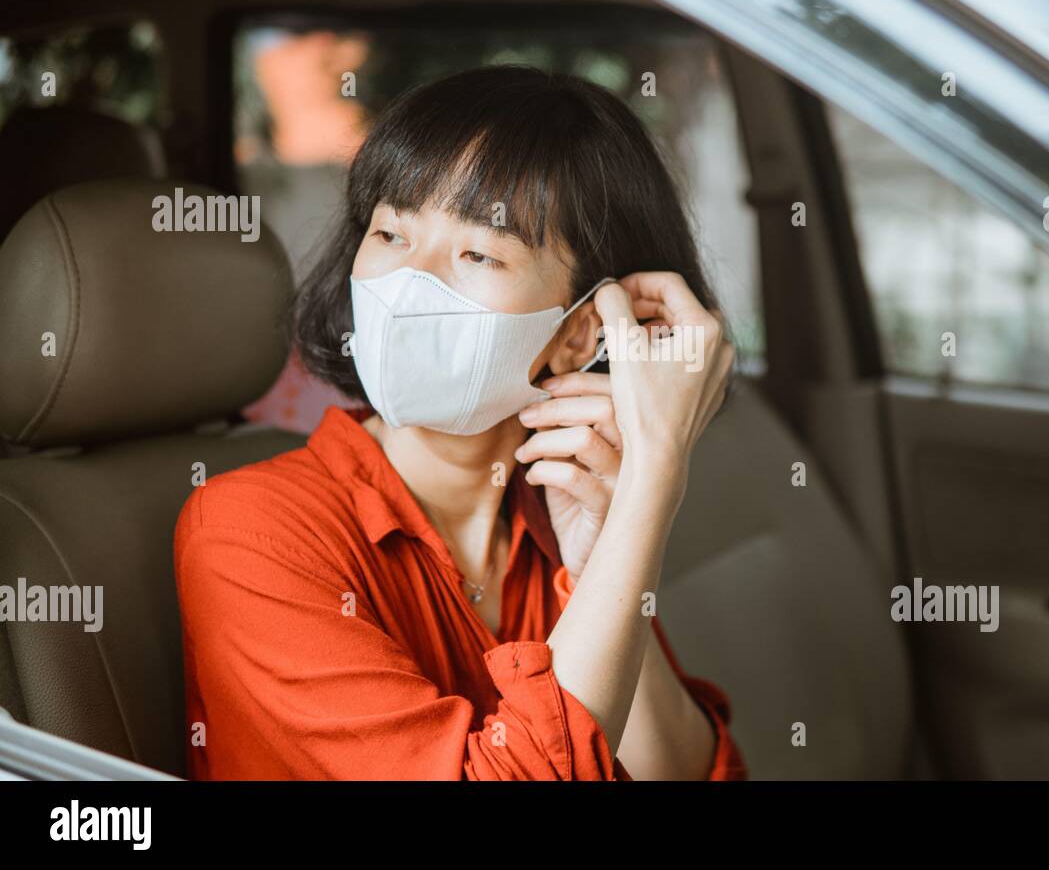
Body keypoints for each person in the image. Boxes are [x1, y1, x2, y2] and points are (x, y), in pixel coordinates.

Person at [174, 65, 747, 780]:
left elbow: (686, 776)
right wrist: (658, 471)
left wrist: (606, 557)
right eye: (390, 233)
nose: (408, 284)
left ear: (579, 333)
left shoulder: (558, 512)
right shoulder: (249, 529)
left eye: (478, 252)